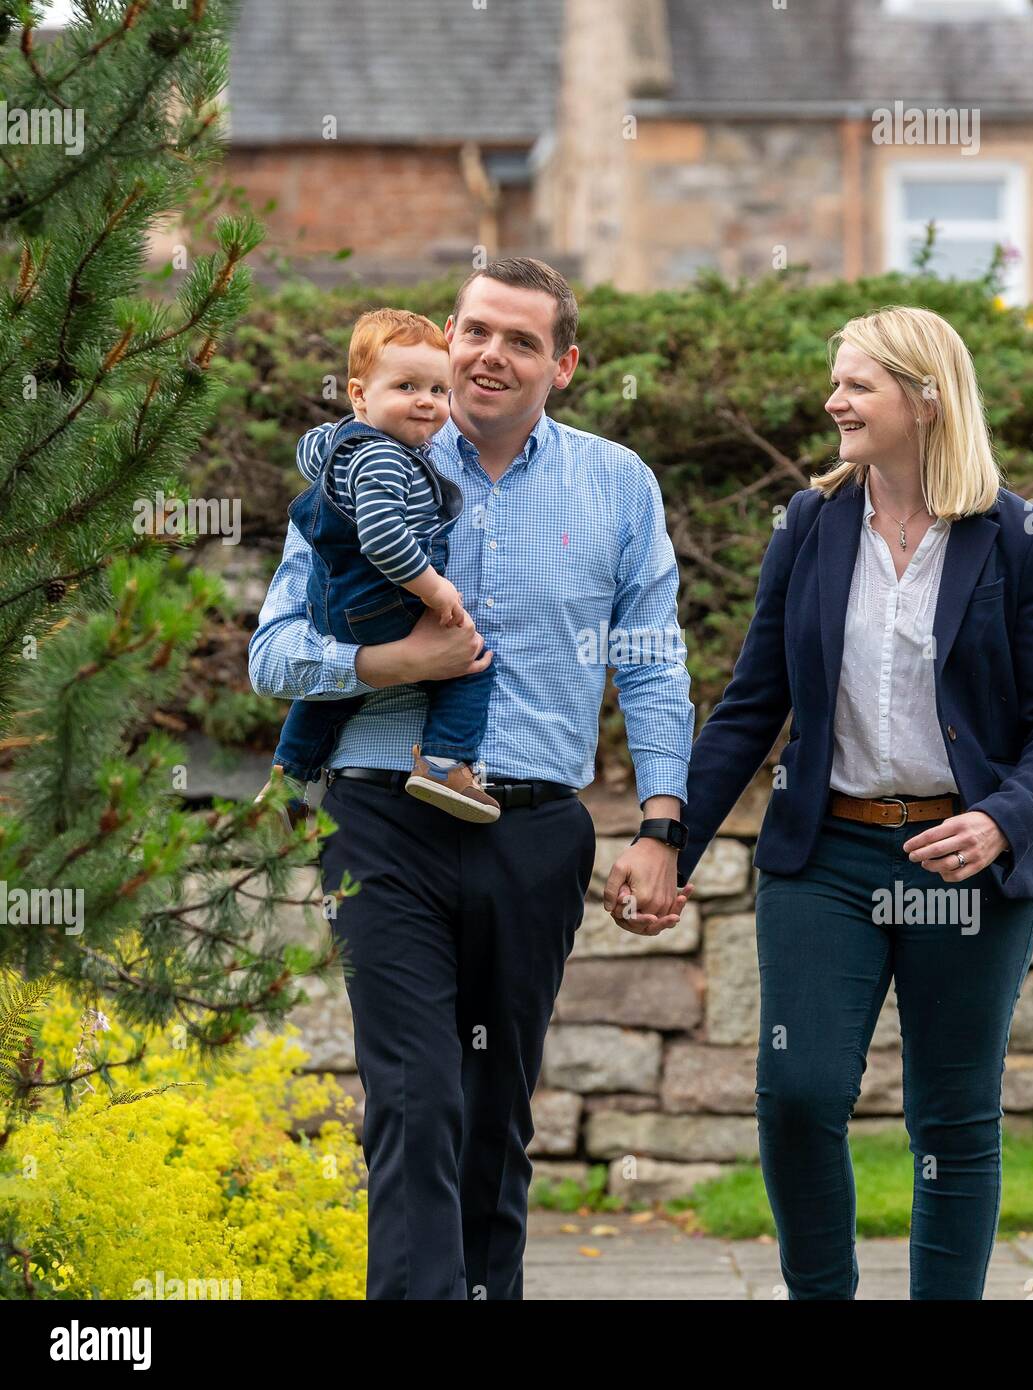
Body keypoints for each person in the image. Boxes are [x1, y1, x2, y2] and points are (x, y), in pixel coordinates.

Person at [248, 257, 695, 1299]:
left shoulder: (617, 484)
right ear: (448, 337)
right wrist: (404, 664)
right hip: (380, 814)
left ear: (564, 365)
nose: (491, 353)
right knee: (415, 1096)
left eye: (522, 340)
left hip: (533, 831)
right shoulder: (360, 466)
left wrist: (662, 823)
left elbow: (653, 661)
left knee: (494, 1107)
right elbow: (274, 654)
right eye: (476, 330)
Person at [672, 305, 1033, 1300]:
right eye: (838, 382)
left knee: (953, 1117)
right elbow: (748, 709)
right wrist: (667, 840)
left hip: (970, 869)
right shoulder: (811, 527)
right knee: (799, 1093)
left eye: (858, 384)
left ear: (926, 398)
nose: (834, 401)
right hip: (827, 857)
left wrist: (1000, 819)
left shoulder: (1020, 537)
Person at [257, 307, 499, 827]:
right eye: (407, 386)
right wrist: (435, 591)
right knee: (471, 662)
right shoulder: (387, 458)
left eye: (438, 390)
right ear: (360, 394)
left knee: (332, 696)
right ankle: (442, 764)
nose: (425, 402)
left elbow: (308, 450)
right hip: (380, 601)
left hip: (334, 610)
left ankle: (289, 778)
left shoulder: (338, 444)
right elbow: (384, 538)